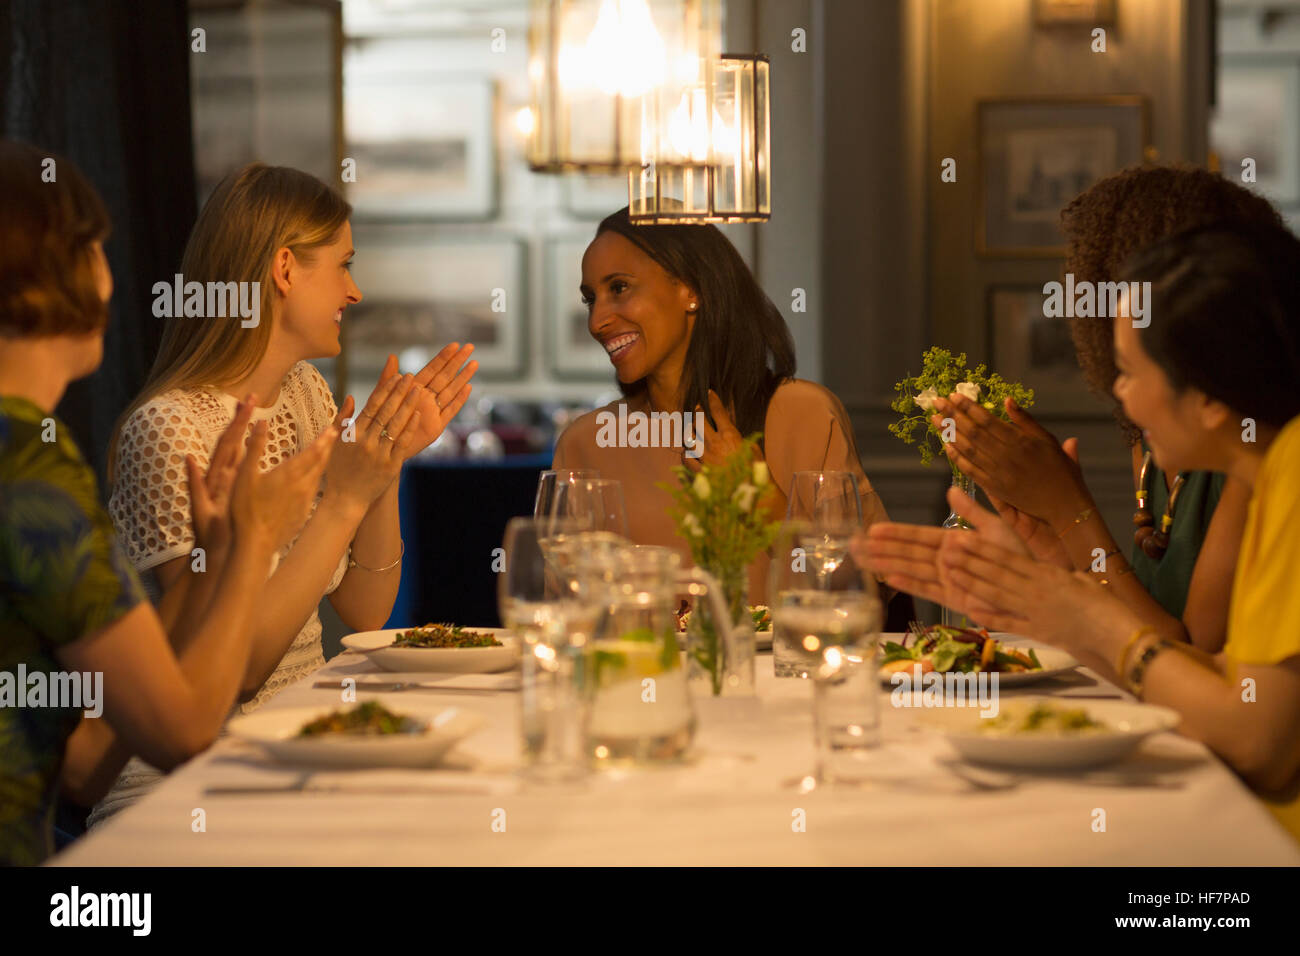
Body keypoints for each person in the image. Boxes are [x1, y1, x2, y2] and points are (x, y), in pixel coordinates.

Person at [860, 220, 1300, 842]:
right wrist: (1051, 590)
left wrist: (1093, 619)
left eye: (1127, 372)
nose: (1122, 399)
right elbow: (1219, 682)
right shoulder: (1269, 473)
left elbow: (1258, 742)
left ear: (1207, 397)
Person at [88, 163, 477, 824]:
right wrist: (344, 502)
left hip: (303, 745)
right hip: (193, 784)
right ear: (286, 269)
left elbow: (364, 609)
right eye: (344, 265)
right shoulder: (170, 429)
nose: (354, 292)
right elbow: (239, 668)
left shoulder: (304, 395)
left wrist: (386, 463)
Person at [0, 140, 335, 864]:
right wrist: (251, 544)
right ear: (37, 278)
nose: (109, 279)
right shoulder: (31, 472)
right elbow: (183, 732)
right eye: (92, 250)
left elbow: (86, 764)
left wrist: (214, 561)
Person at [928, 165, 1284, 652]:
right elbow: (1134, 620)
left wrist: (1071, 510)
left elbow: (1192, 656)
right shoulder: (1153, 436)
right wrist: (1057, 546)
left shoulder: (1254, 451)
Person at [552, 208, 890, 604]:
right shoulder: (586, 442)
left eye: (620, 288)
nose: (597, 321)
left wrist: (759, 494)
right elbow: (560, 612)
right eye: (591, 299)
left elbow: (865, 592)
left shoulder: (805, 415)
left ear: (692, 289)